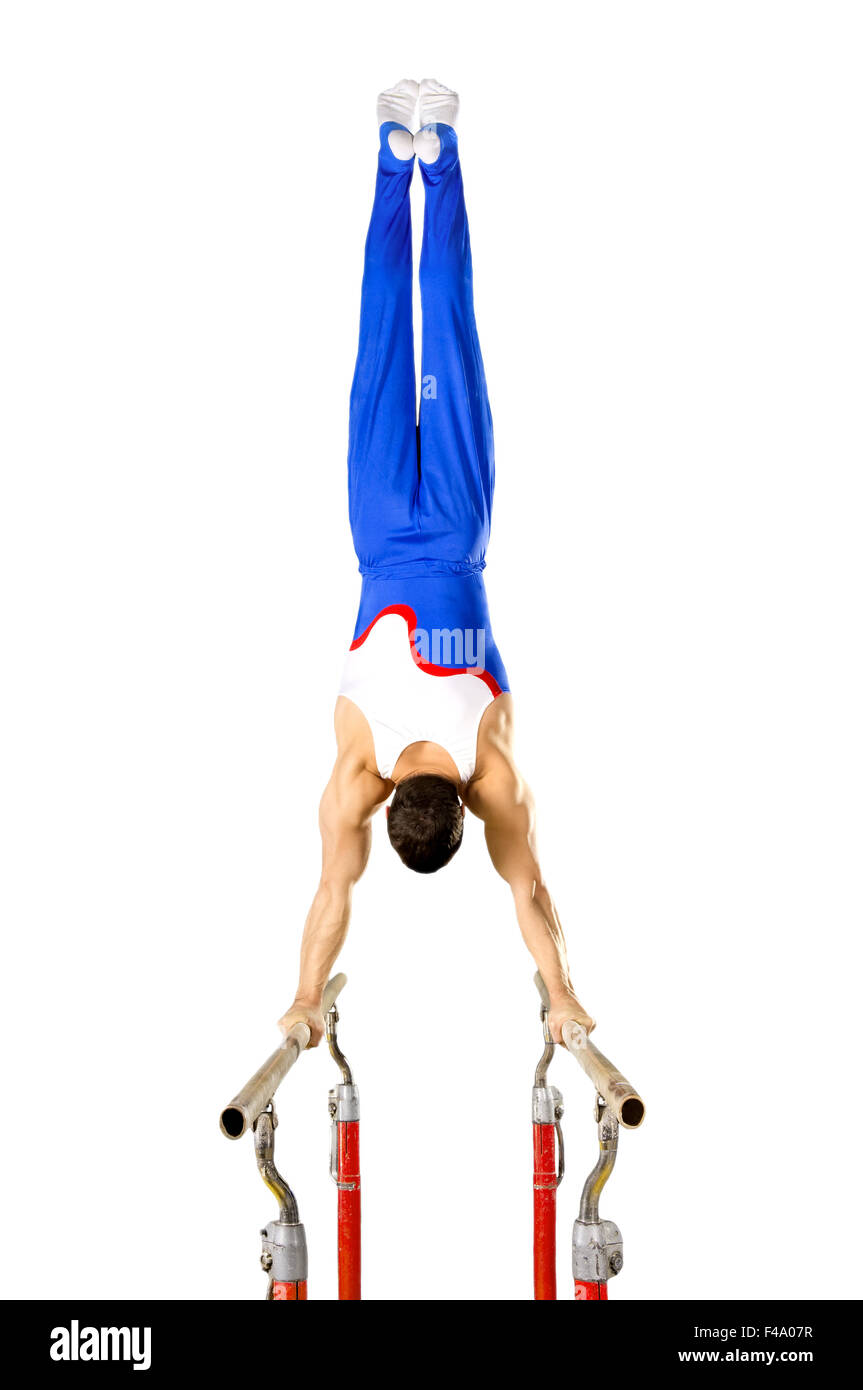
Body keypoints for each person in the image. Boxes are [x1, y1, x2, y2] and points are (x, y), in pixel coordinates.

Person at [278, 80, 594, 1047]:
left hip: (454, 526)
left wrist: (566, 989)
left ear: (460, 800)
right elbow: (333, 891)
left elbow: (530, 886)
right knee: (386, 339)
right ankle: (392, 147)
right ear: (391, 805)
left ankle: (437, 148)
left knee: (446, 333)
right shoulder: (354, 769)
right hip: (376, 529)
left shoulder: (488, 763)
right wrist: (298, 990)